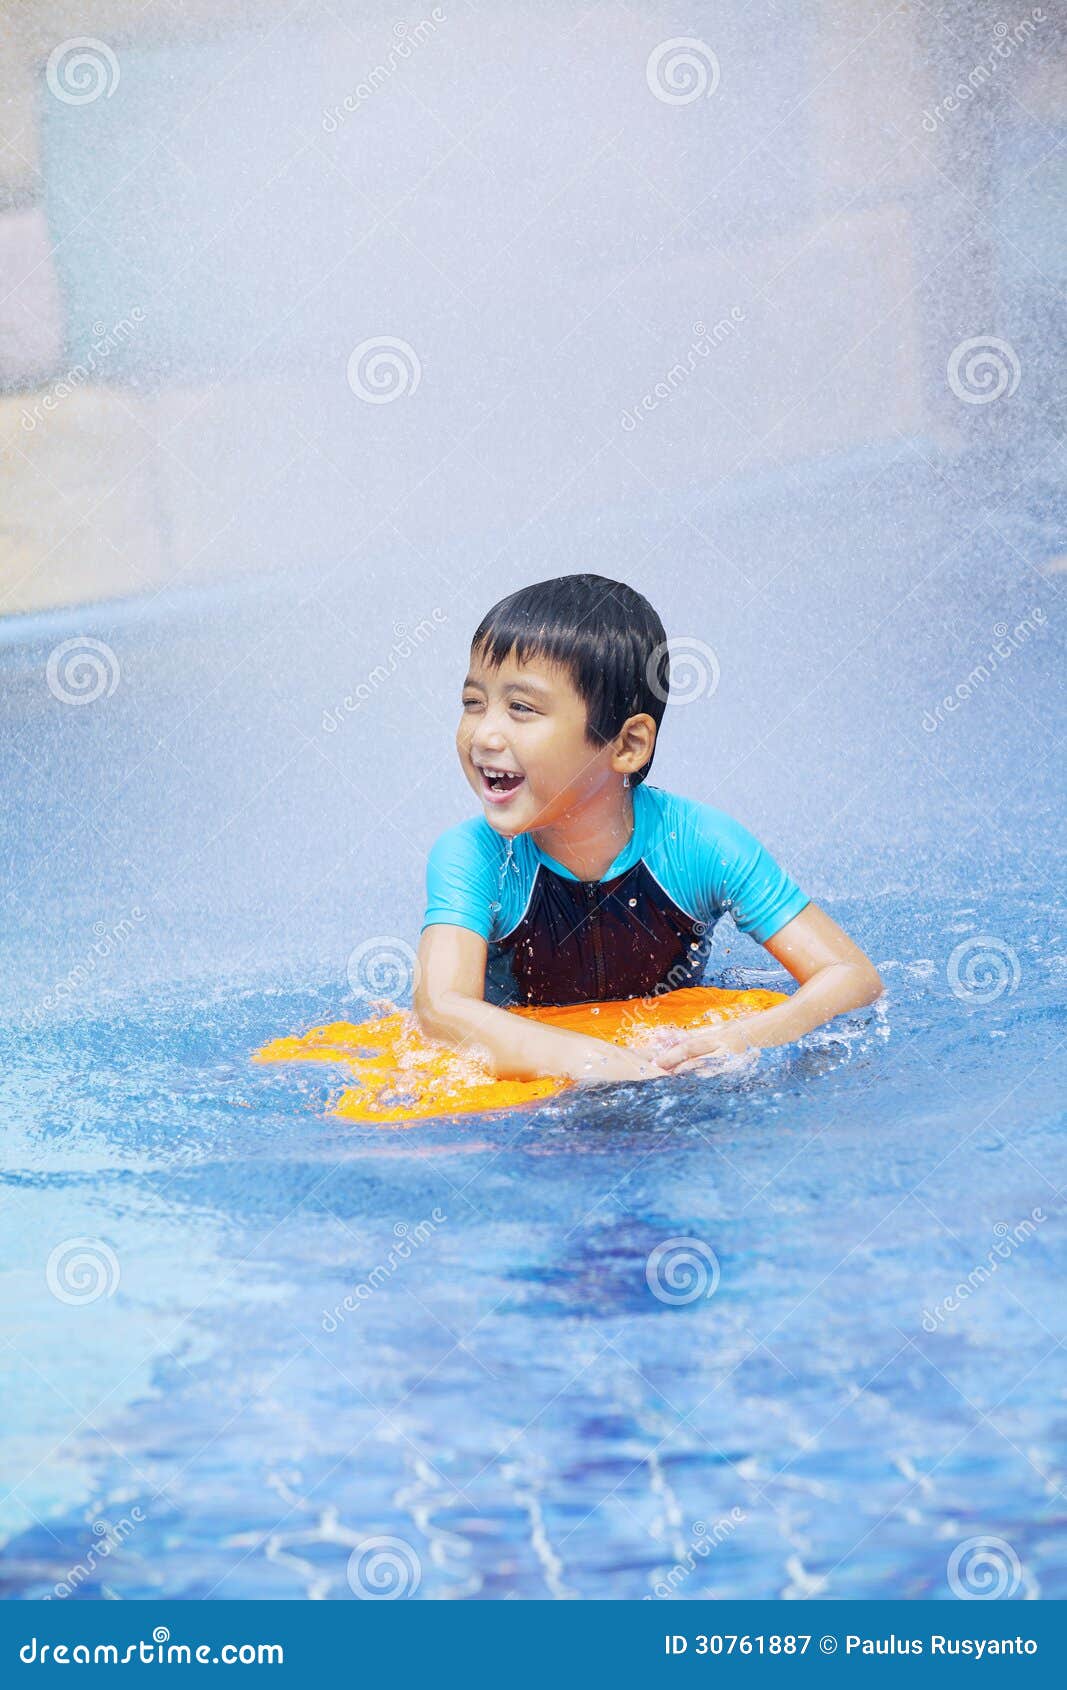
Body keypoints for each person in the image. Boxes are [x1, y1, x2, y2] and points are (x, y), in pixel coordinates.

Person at [414, 574, 882, 1084]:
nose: (483, 733)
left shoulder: (699, 844)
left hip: (666, 1065)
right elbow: (441, 1010)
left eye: (521, 708)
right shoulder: (475, 854)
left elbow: (852, 977)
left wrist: (742, 1038)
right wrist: (594, 1061)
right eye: (473, 703)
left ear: (627, 744)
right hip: (544, 1077)